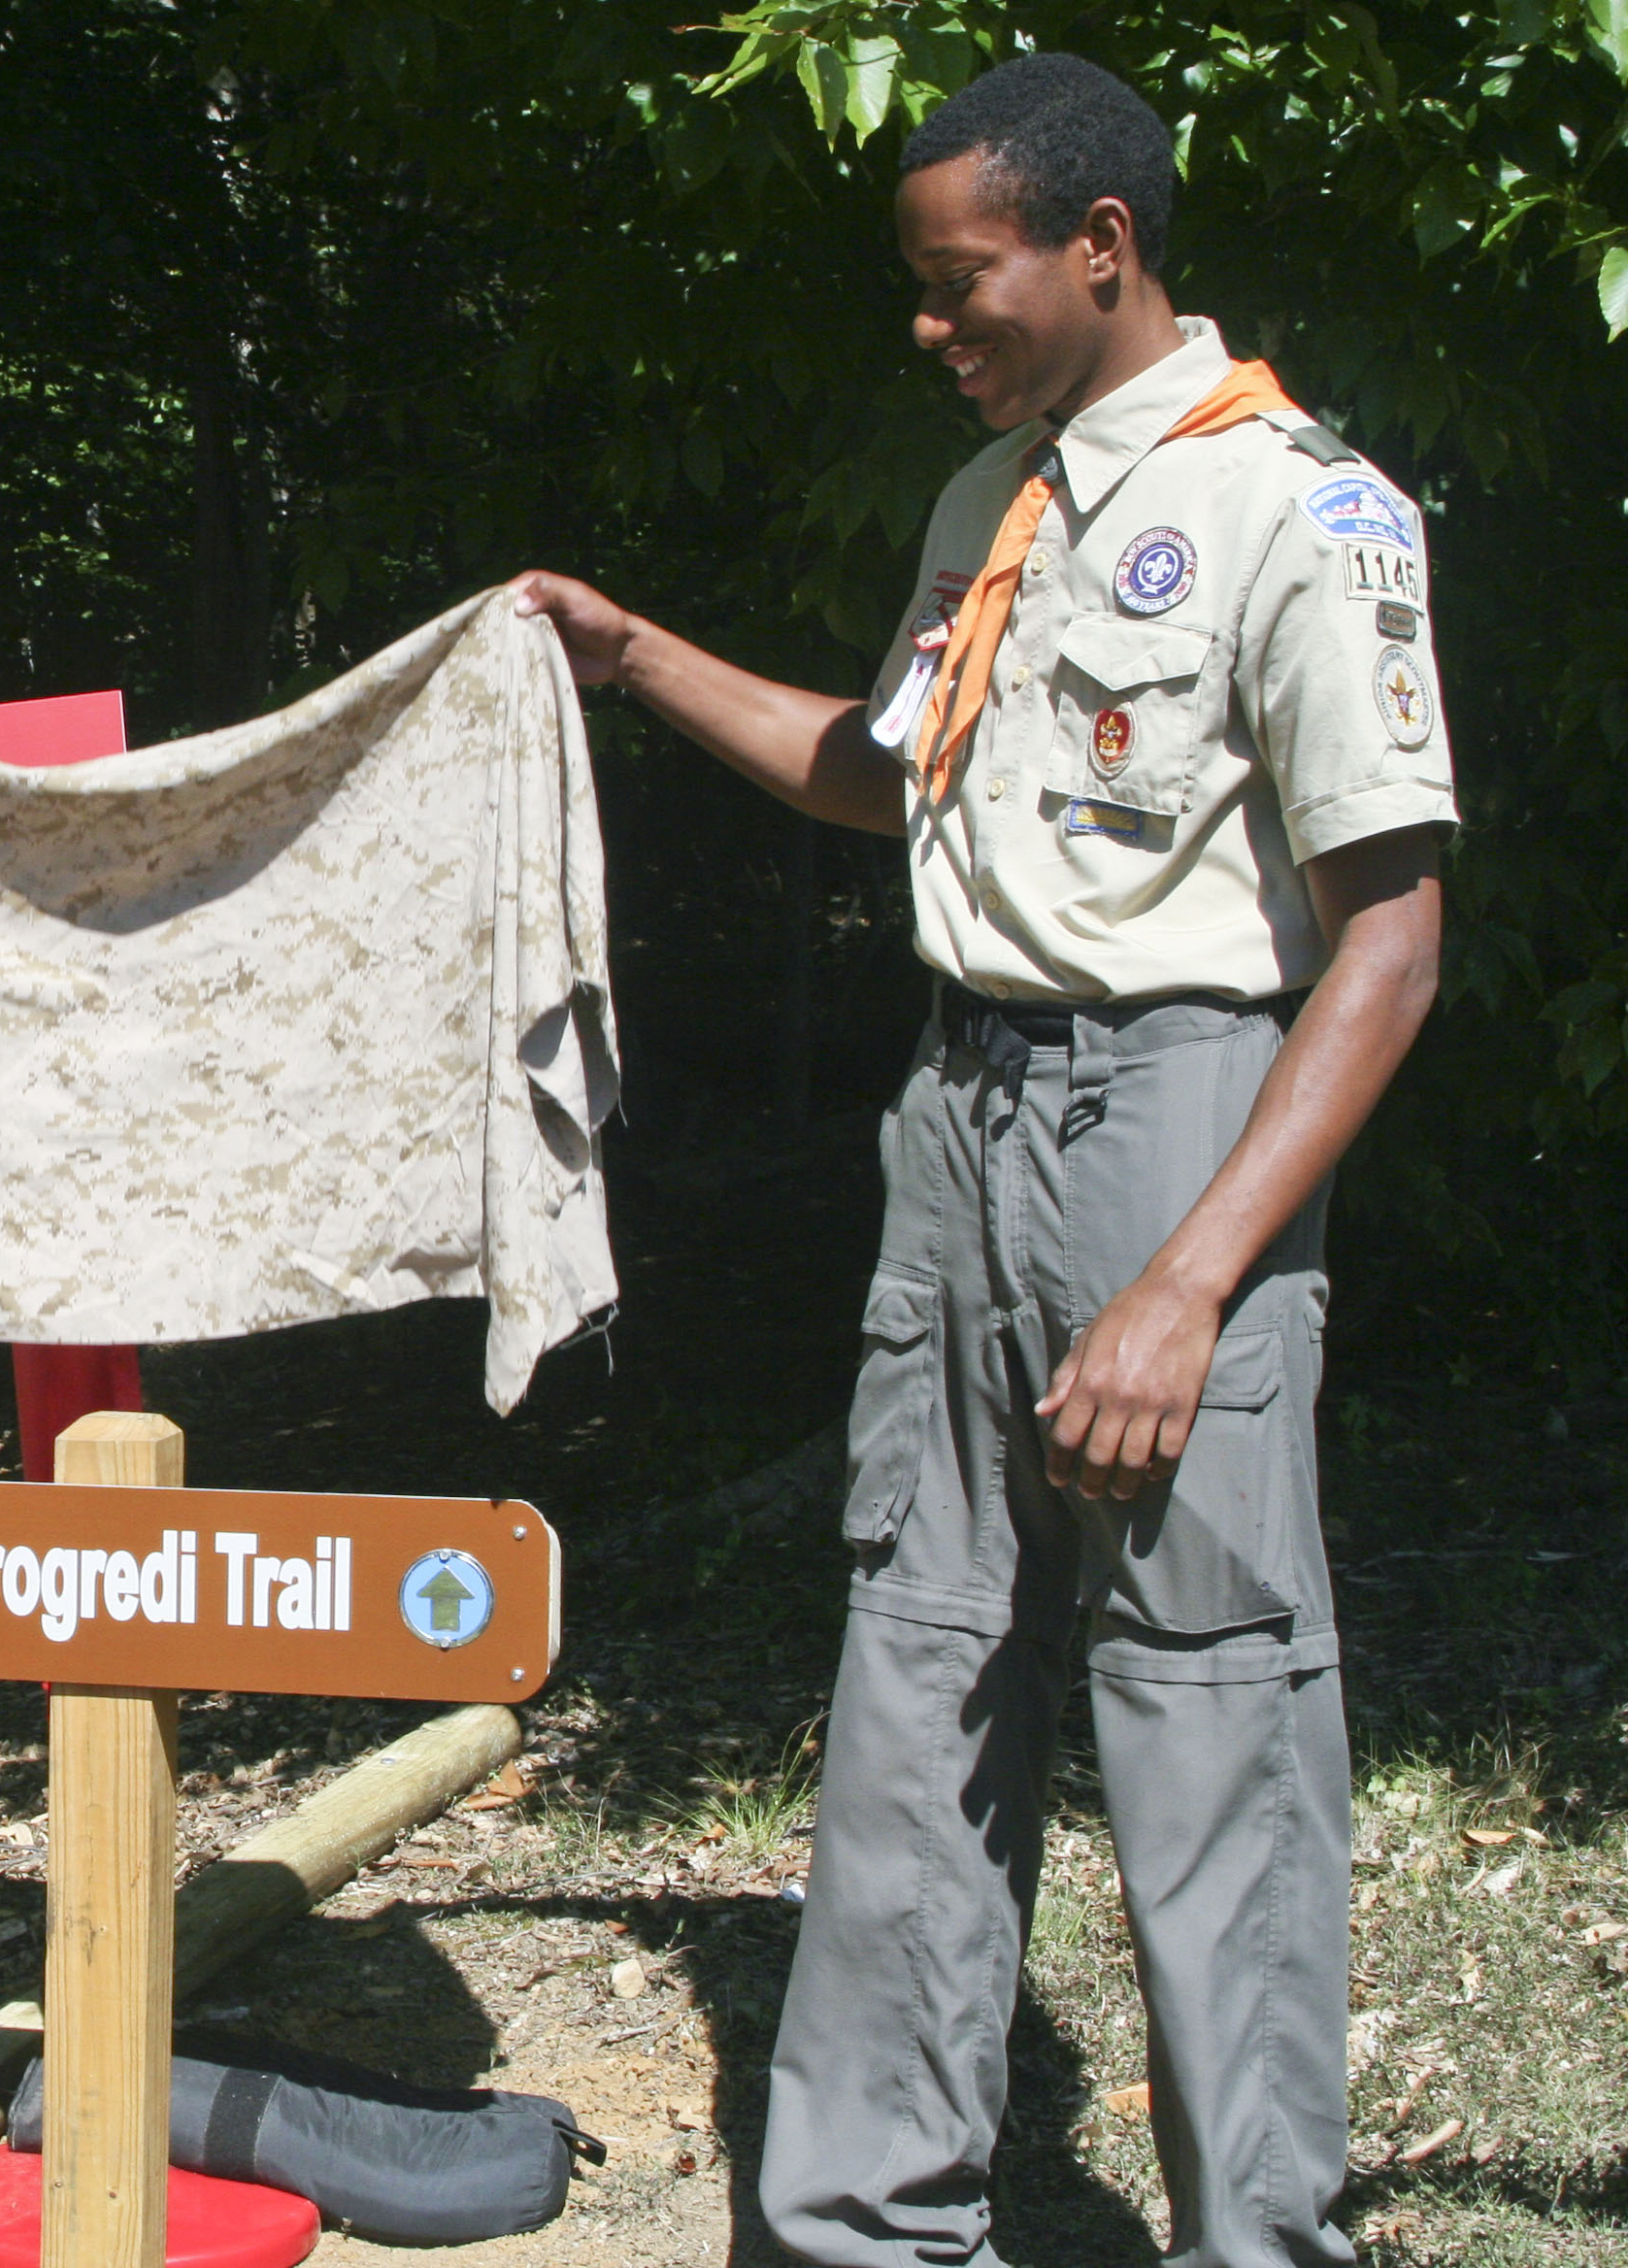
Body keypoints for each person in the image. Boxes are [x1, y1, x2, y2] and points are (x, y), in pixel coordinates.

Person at [515, 54, 1449, 2268]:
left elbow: (1393, 941)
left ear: (1099, 249)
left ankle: (1257, 2241)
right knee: (919, 1658)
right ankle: (858, 2221)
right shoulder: (985, 504)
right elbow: (883, 774)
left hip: (1180, 1122)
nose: (931, 325)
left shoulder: (1300, 513)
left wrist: (1194, 1279)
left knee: (1208, 1709)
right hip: (963, 1123)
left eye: (964, 282)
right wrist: (631, 652)